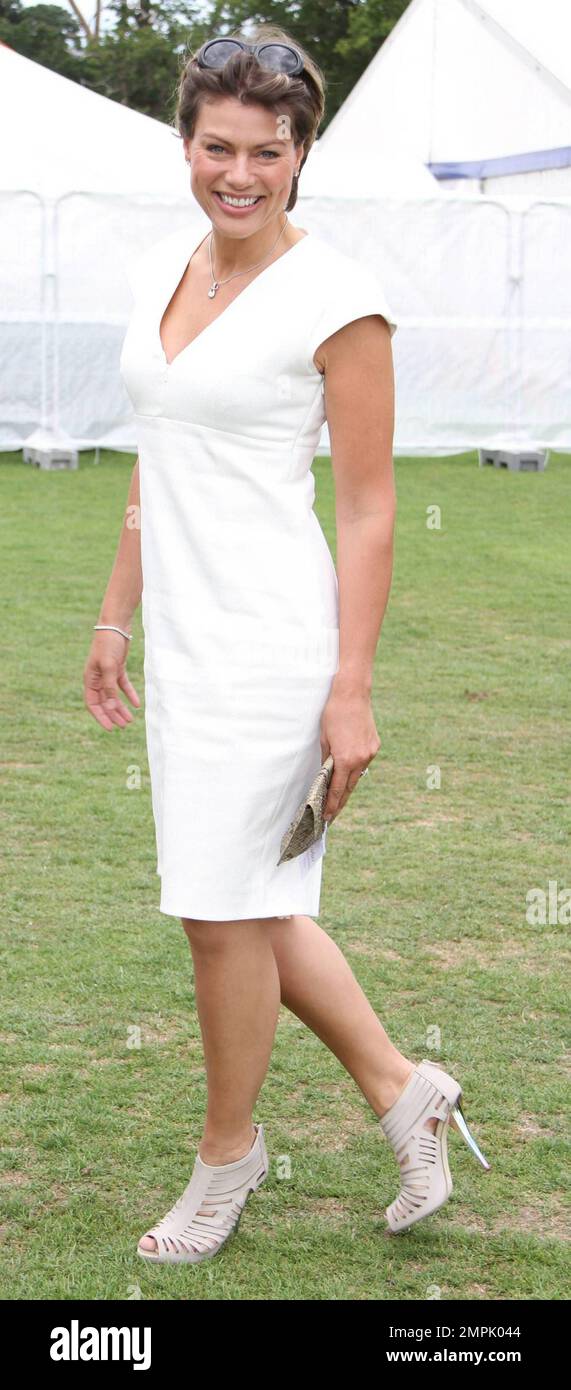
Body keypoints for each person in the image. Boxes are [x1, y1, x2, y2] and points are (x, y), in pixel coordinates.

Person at [83, 24, 490, 1266]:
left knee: (217, 912)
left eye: (268, 151)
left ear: (302, 151)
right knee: (249, 901)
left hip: (273, 644)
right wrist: (115, 611)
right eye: (218, 147)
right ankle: (401, 1088)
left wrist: (349, 691)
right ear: (187, 143)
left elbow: (367, 507)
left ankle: (226, 1156)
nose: (240, 173)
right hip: (187, 636)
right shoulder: (168, 265)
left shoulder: (339, 299)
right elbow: (162, 462)